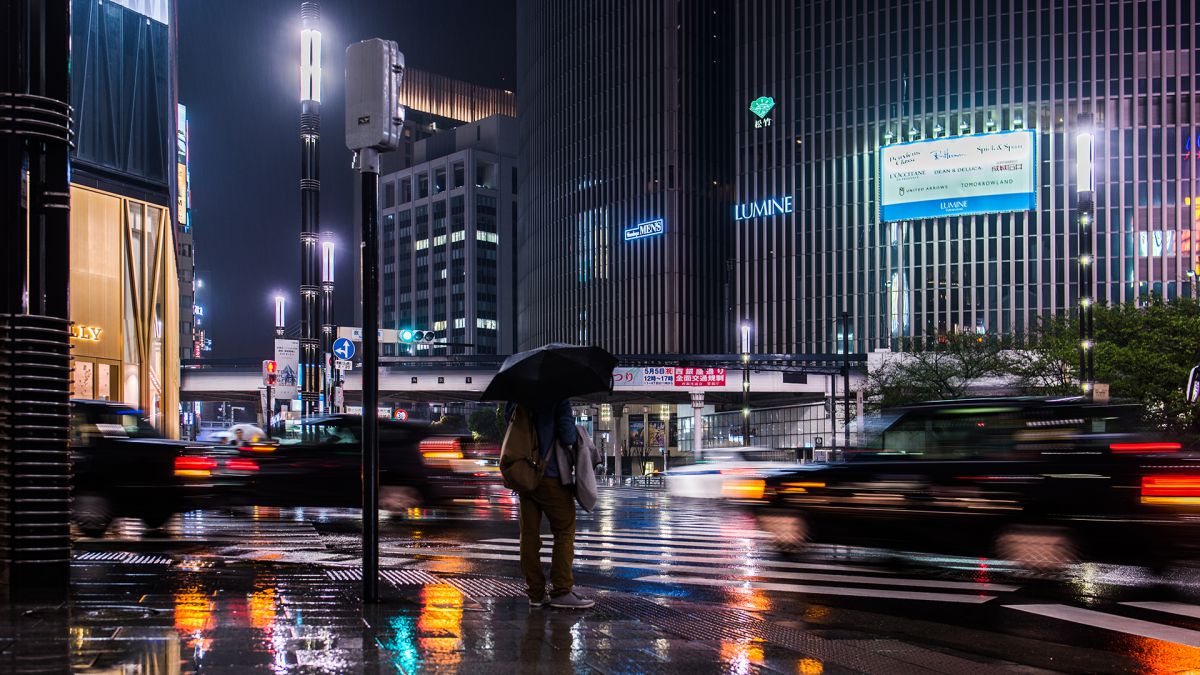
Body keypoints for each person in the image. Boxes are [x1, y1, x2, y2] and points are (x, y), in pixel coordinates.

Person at [506, 399, 593, 609]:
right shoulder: (558, 398)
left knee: (528, 535)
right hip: (552, 476)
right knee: (564, 530)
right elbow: (568, 436)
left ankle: (535, 593)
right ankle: (561, 591)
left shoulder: (515, 400)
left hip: (525, 477)